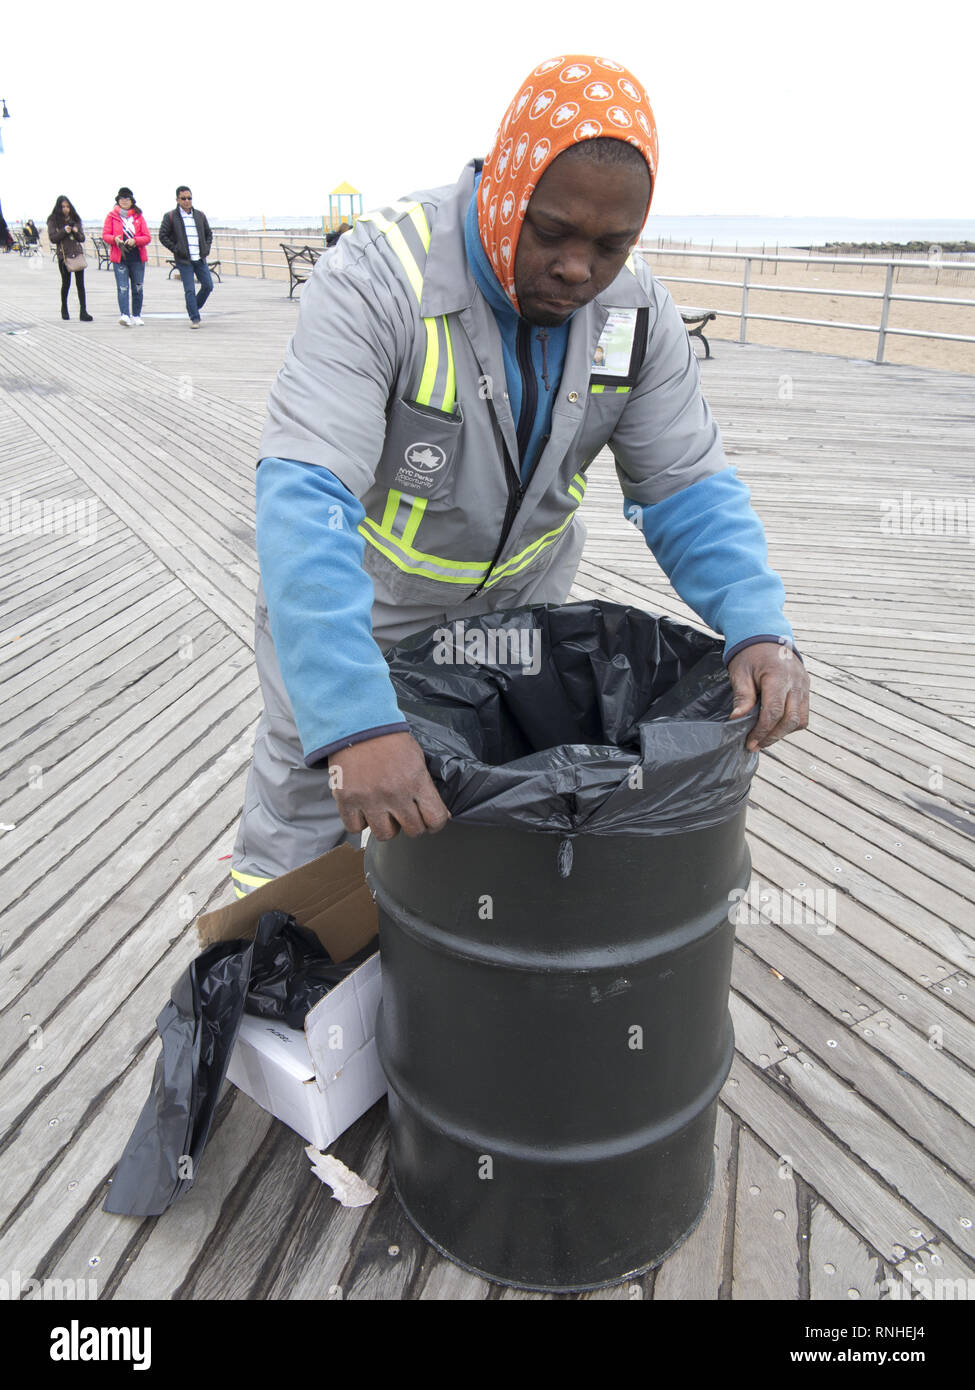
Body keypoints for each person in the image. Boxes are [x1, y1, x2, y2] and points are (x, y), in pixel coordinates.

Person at [230, 53, 810, 899]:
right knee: (305, 824)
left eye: (611, 246)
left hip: (511, 629)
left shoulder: (632, 314)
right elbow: (304, 496)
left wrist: (758, 626)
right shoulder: (375, 279)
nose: (579, 270)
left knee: (478, 847)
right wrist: (351, 719)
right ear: (504, 188)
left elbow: (684, 485)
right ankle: (258, 1000)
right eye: (552, 232)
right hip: (362, 617)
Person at [158, 186, 213, 328]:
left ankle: (192, 306)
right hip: (184, 259)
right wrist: (176, 249)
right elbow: (162, 236)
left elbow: (208, 233)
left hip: (200, 258)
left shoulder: (200, 215)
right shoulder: (170, 216)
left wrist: (206, 248)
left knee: (208, 285)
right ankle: (195, 318)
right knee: (189, 289)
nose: (187, 201)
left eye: (189, 198)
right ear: (177, 200)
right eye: (183, 198)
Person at [103, 188, 151, 326]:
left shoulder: (138, 217)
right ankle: (125, 314)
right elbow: (106, 235)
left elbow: (147, 237)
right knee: (122, 287)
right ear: (118, 200)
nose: (124, 201)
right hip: (120, 257)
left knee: (138, 287)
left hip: (137, 257)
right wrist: (115, 239)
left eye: (127, 198)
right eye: (122, 198)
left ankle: (136, 315)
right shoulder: (111, 216)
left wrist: (136, 240)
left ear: (132, 201)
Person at [47, 195, 93, 322]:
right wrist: (64, 231)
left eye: (67, 206)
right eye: (63, 207)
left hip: (77, 254)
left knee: (80, 284)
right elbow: (53, 238)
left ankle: (83, 311)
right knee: (66, 283)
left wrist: (74, 231)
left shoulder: (75, 219)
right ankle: (64, 308)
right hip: (64, 256)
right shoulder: (53, 220)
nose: (65, 209)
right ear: (58, 207)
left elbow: (82, 238)